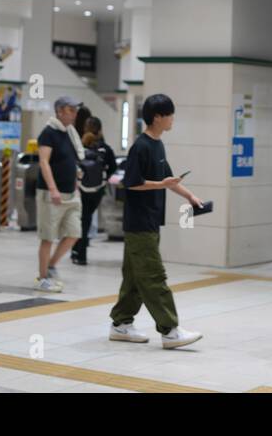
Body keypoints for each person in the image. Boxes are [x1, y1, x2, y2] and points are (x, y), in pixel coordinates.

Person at [109, 94, 204, 349]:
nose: (173, 119)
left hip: (150, 220)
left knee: (134, 277)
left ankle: (121, 324)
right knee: (152, 276)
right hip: (140, 223)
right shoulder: (140, 147)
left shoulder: (158, 144)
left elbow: (167, 179)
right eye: (169, 114)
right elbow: (133, 184)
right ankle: (170, 330)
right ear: (157, 117)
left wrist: (190, 196)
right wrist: (161, 184)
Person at [35, 96, 84, 291]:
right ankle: (43, 278)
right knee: (48, 237)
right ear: (60, 111)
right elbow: (44, 162)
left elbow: (71, 162)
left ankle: (52, 265)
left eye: (75, 110)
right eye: (71, 110)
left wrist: (76, 182)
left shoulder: (70, 133)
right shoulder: (48, 133)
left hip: (71, 194)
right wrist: (53, 189)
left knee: (74, 233)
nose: (75, 114)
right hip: (51, 194)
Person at [73, 115, 116, 266]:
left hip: (82, 189)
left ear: (85, 129)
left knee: (82, 219)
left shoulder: (80, 146)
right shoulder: (105, 148)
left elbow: (73, 165)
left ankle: (79, 253)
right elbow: (113, 167)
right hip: (97, 191)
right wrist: (103, 181)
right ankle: (78, 250)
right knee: (87, 218)